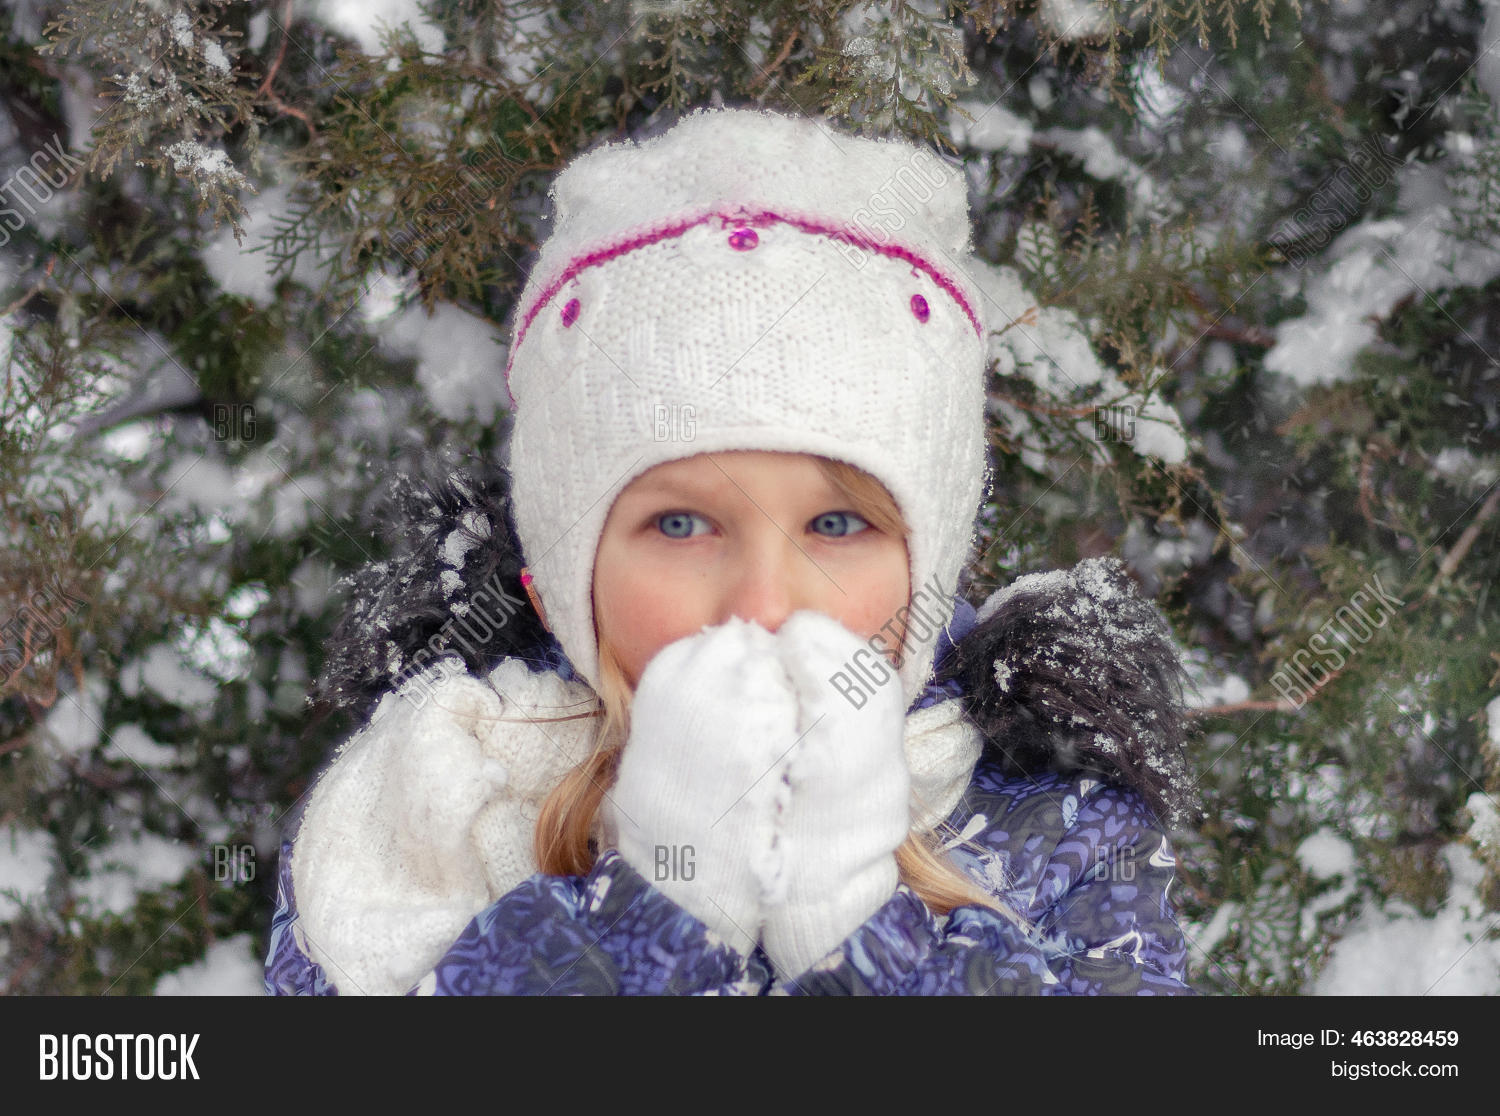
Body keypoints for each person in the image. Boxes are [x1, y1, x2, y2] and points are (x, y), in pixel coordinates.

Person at [264, 106, 1198, 996]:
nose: (763, 602)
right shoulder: (424, 814)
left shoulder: (1062, 826)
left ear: (930, 564)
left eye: (839, 525)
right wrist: (659, 912)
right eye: (680, 525)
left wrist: (856, 932)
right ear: (561, 579)